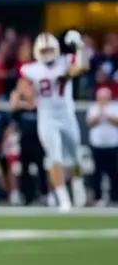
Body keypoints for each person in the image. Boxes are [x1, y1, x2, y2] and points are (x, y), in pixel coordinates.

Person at [19, 31, 89, 211]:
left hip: (67, 115)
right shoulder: (31, 70)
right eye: (44, 50)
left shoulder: (65, 61)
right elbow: (23, 90)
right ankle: (63, 198)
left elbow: (81, 68)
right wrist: (26, 93)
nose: (47, 53)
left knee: (75, 156)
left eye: (49, 49)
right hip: (47, 117)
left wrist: (80, 48)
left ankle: (77, 184)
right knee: (54, 157)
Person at [85, 86, 118, 206]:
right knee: (97, 173)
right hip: (97, 145)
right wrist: (99, 113)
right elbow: (89, 122)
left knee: (114, 172)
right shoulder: (93, 108)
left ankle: (115, 198)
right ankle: (98, 198)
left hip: (113, 144)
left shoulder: (115, 107)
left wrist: (107, 115)